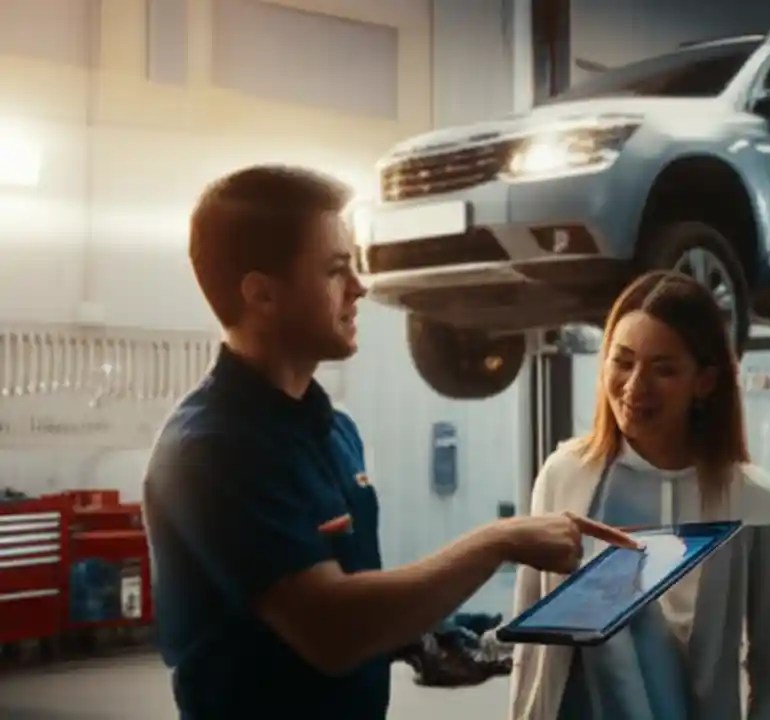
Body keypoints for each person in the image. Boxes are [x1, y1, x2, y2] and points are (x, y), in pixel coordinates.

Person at [141, 164, 638, 720]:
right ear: (262, 294)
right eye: (335, 271)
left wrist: (450, 635)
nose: (359, 288)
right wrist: (498, 541)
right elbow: (332, 629)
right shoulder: (211, 450)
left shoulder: (335, 432)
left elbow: (358, 599)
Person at [509, 271, 770, 720]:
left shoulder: (757, 504)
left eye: (663, 369)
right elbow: (531, 650)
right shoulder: (563, 475)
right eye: (622, 362)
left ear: (705, 381)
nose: (634, 386)